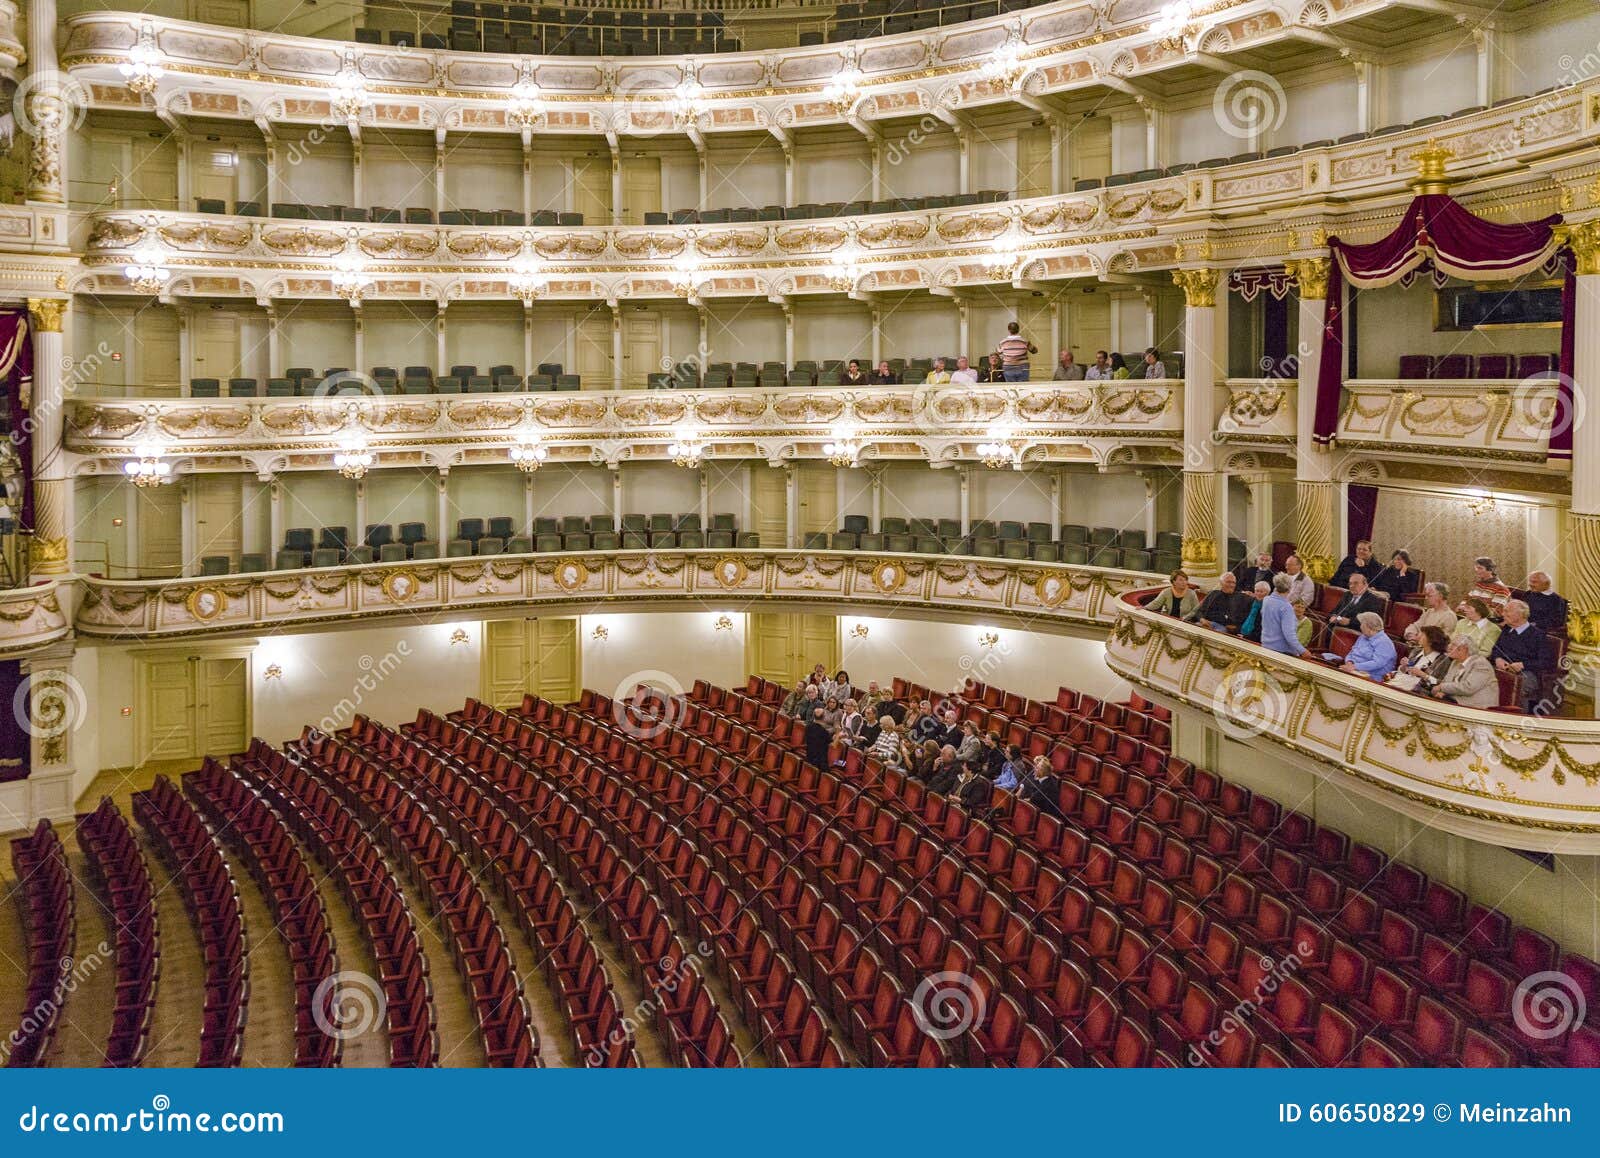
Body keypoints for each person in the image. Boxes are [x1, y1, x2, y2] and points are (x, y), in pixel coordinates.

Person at [1490, 599, 1546, 710]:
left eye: (1507, 611)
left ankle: (1517, 717)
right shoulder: (1507, 629)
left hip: (1526, 673)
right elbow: (1495, 649)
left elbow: (1544, 662)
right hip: (1502, 669)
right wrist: (1497, 659)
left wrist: (1523, 665)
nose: (1503, 614)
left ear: (1520, 614)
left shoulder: (1537, 635)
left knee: (1515, 686)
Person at [1432, 636, 1499, 708]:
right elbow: (1446, 682)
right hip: (1455, 701)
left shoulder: (1481, 664)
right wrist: (1441, 692)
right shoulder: (1455, 662)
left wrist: (1442, 687)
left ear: (1464, 649)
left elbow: (1468, 688)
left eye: (1453, 645)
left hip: (1477, 707)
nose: (1449, 647)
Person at [1260, 573, 1308, 657]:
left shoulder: (1266, 600)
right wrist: (1302, 650)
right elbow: (1289, 634)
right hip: (1282, 652)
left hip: (1265, 645)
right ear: (1289, 589)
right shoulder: (1286, 607)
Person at [1340, 611, 1397, 681]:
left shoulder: (1384, 642)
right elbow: (1352, 652)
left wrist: (1355, 666)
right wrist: (1349, 662)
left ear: (1369, 626)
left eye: (1361, 624)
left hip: (1373, 677)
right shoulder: (1363, 636)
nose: (1360, 627)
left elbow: (1377, 663)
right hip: (1354, 670)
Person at [1396, 624, 1453, 689]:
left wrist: (1423, 675)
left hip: (1420, 692)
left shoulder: (1443, 661)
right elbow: (1405, 672)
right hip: (1404, 684)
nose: (1419, 636)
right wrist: (1404, 666)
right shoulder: (1416, 651)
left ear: (1431, 641)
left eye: (1423, 635)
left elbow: (1439, 684)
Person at [1521, 571, 1568, 636]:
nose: (1530, 584)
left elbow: (1556, 621)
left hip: (1542, 630)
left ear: (1546, 584)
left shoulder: (1556, 599)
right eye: (1530, 581)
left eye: (1534, 582)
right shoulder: (1528, 594)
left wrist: (1534, 624)